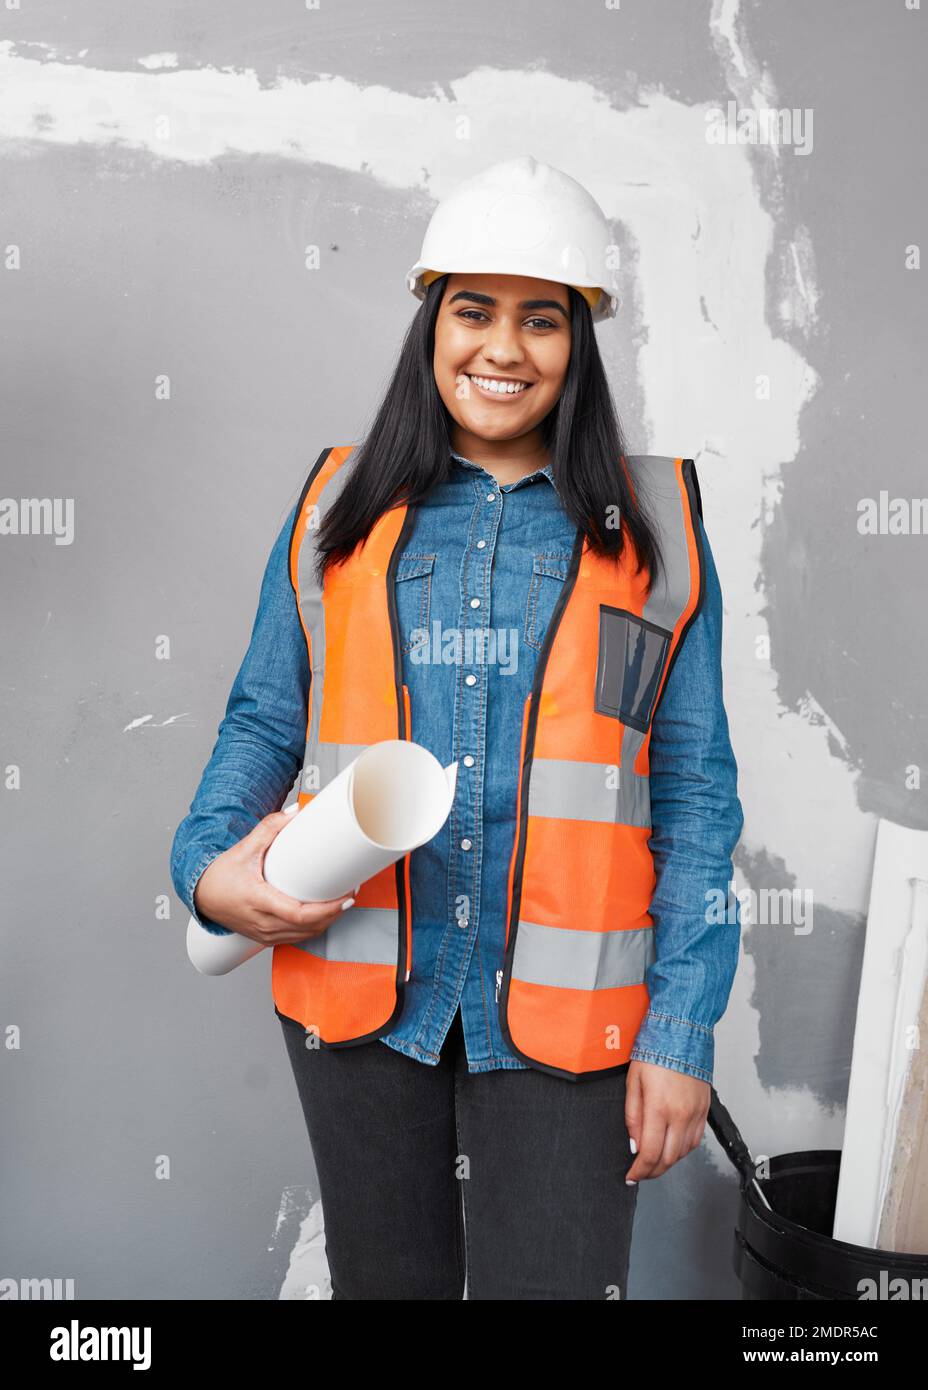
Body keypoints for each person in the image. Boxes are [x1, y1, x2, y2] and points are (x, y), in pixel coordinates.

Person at [170, 155, 744, 1300]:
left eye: (543, 318)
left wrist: (680, 1026)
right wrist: (205, 871)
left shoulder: (658, 534)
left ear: (579, 342)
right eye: (472, 311)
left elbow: (692, 794)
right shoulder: (337, 508)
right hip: (359, 1008)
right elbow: (260, 722)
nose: (501, 347)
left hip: (566, 1023)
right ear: (431, 324)